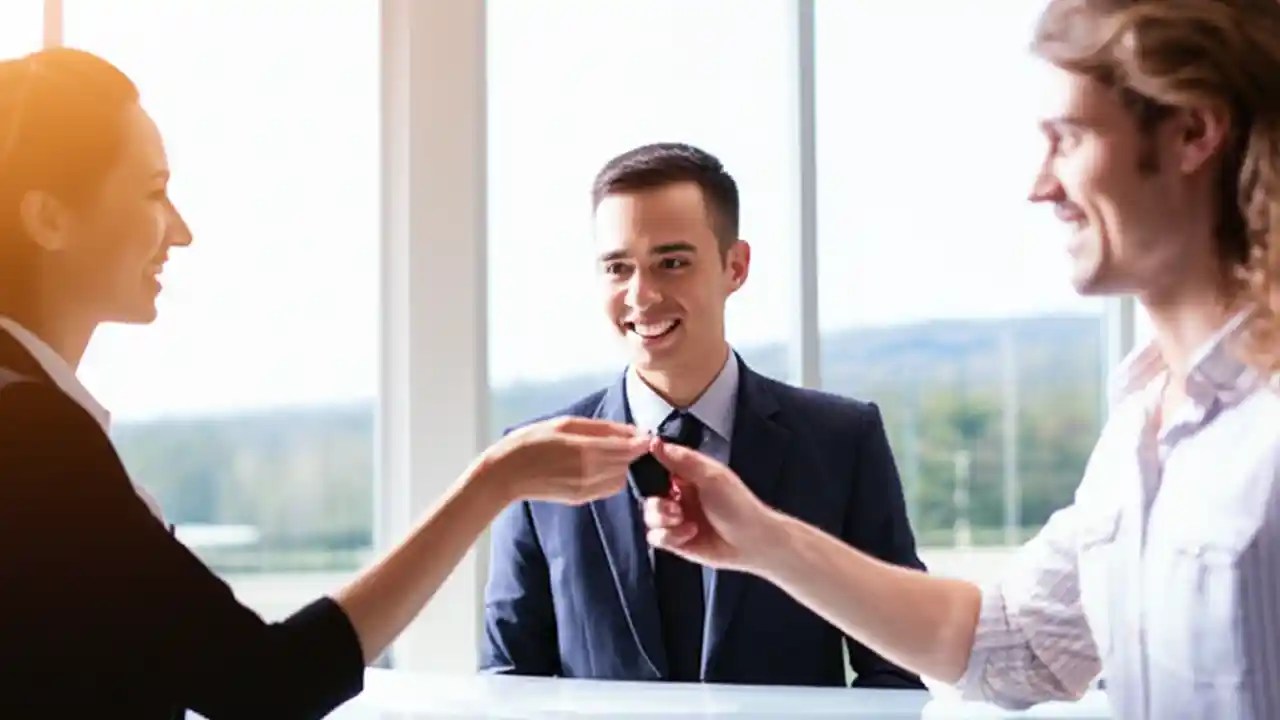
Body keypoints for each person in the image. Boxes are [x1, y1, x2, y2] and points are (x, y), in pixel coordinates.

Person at [641, 1, 1280, 718]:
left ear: (1192, 130)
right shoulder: (1143, 426)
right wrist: (763, 540)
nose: (1041, 186)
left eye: (1067, 139)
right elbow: (1010, 645)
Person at [0, 47, 651, 719]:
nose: (182, 231)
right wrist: (492, 482)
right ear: (48, 217)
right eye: (152, 191)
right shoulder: (31, 438)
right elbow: (267, 685)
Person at [480, 142, 925, 688]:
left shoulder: (843, 442)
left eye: (672, 263)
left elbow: (899, 665)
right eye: (618, 268)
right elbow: (507, 681)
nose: (641, 297)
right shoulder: (535, 459)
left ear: (734, 267)